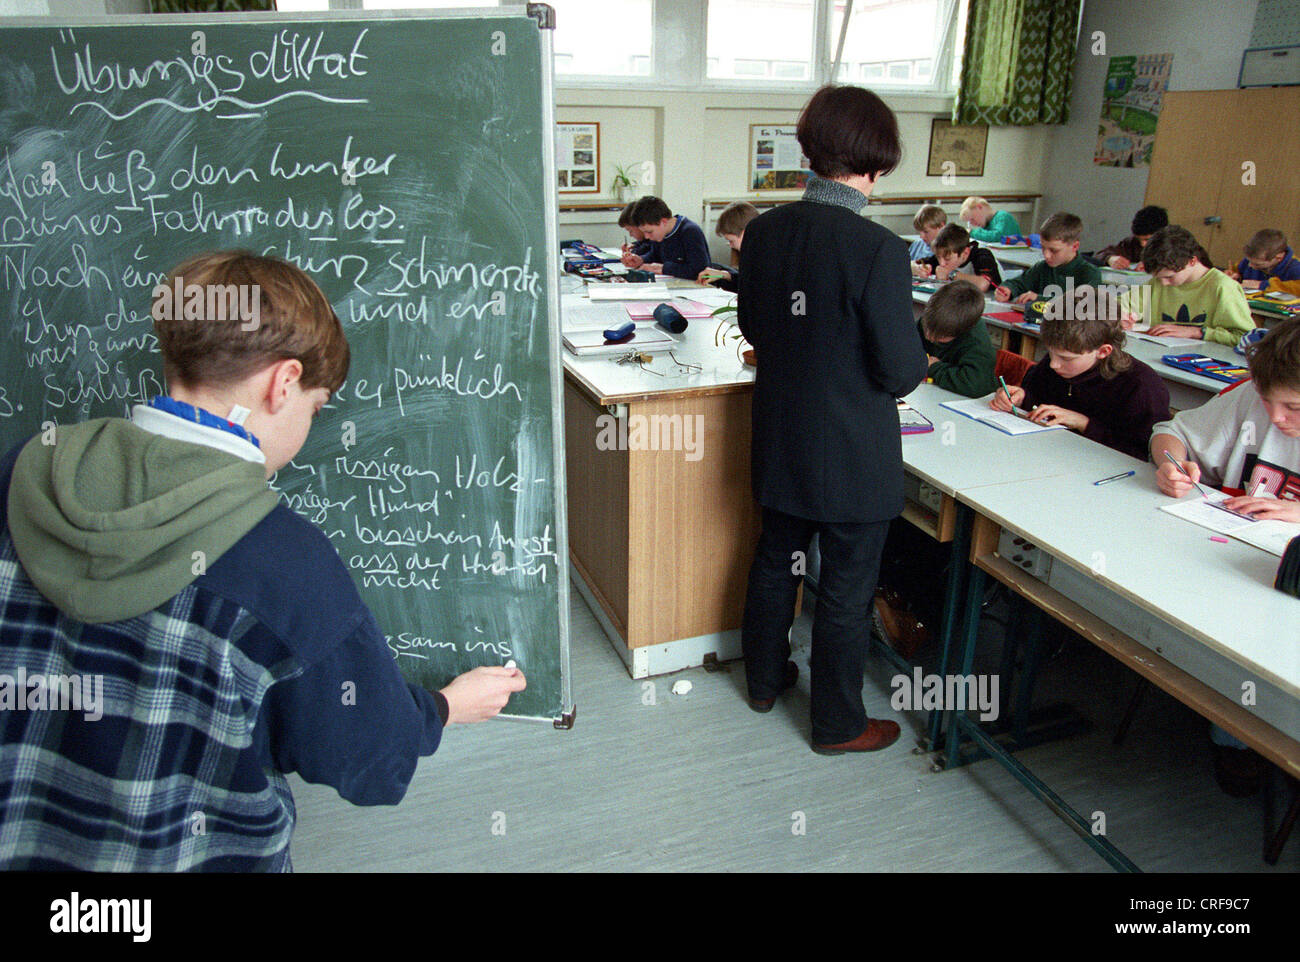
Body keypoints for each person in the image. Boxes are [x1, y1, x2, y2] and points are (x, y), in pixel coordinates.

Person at [0, 251, 525, 870]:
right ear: (283, 383)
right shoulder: (287, 564)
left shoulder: (20, 472)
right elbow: (368, 758)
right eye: (315, 406)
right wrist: (443, 708)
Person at [738, 85, 928, 755]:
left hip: (780, 438)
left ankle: (764, 682)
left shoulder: (764, 231)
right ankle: (838, 724)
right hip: (851, 453)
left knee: (776, 562)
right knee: (846, 588)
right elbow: (900, 370)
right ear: (874, 164)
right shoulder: (879, 248)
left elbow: (754, 328)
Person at [1150, 318, 1300, 794]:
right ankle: (1233, 736)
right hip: (1228, 562)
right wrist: (1170, 463)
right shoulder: (1252, 399)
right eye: (1268, 401)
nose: (1276, 417)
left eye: (1293, 407)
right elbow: (1171, 431)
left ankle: (1253, 736)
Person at [991, 286, 1170, 461]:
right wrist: (1022, 398)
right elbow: (1038, 398)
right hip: (1048, 456)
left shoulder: (1142, 387)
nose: (1053, 364)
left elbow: (1143, 454)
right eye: (1050, 352)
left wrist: (1084, 423)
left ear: (1103, 351)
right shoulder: (1057, 361)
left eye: (1066, 358)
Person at [1119, 225, 1254, 345]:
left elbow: (1245, 338)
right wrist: (1119, 316)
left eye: (1169, 277)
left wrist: (1198, 332)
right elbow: (1116, 305)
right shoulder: (1158, 282)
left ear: (1192, 261)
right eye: (1158, 278)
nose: (1164, 283)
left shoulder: (1223, 287)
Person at [994, 212, 1102, 305]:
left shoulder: (1090, 273)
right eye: (1043, 248)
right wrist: (1008, 289)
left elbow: (1081, 305)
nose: (1046, 255)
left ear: (1074, 246)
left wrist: (1040, 299)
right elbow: (1018, 283)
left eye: (1054, 250)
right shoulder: (1042, 267)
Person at [919, 280, 997, 398]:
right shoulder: (932, 319)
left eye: (941, 336)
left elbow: (975, 384)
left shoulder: (976, 341)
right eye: (926, 328)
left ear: (961, 332)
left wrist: (934, 367)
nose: (928, 336)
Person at [623, 196, 710, 279]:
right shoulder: (660, 233)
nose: (646, 236)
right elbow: (656, 255)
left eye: (649, 232)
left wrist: (663, 268)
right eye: (644, 232)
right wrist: (641, 260)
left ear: (663, 222)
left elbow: (700, 270)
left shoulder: (690, 231)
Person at [918, 224, 1001, 292]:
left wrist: (951, 274)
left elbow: (984, 284)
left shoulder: (982, 256)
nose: (942, 263)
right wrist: (920, 269)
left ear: (965, 253)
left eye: (947, 259)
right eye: (938, 257)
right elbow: (912, 264)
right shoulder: (944, 254)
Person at [698, 201, 759, 292]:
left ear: (745, 234)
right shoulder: (751, 252)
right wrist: (723, 274)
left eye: (731, 240)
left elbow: (753, 288)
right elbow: (745, 280)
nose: (730, 245)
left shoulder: (766, 258)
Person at [1091, 205, 1168, 271]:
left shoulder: (1171, 245)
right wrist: (1110, 258)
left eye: (1147, 239)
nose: (1142, 244)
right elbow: (1100, 254)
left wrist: (1153, 265)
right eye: (1139, 239)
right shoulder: (1132, 243)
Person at [1227, 228, 1300, 289]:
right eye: (1249, 260)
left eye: (1257, 265)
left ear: (1279, 257)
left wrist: (1262, 285)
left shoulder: (1296, 268)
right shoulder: (1251, 261)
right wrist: (1235, 276)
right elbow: (1237, 271)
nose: (1250, 265)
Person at [618, 198, 659, 267]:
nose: (630, 235)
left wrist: (632, 251)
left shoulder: (655, 238)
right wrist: (633, 245)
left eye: (630, 231)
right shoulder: (645, 240)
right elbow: (642, 243)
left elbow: (644, 251)